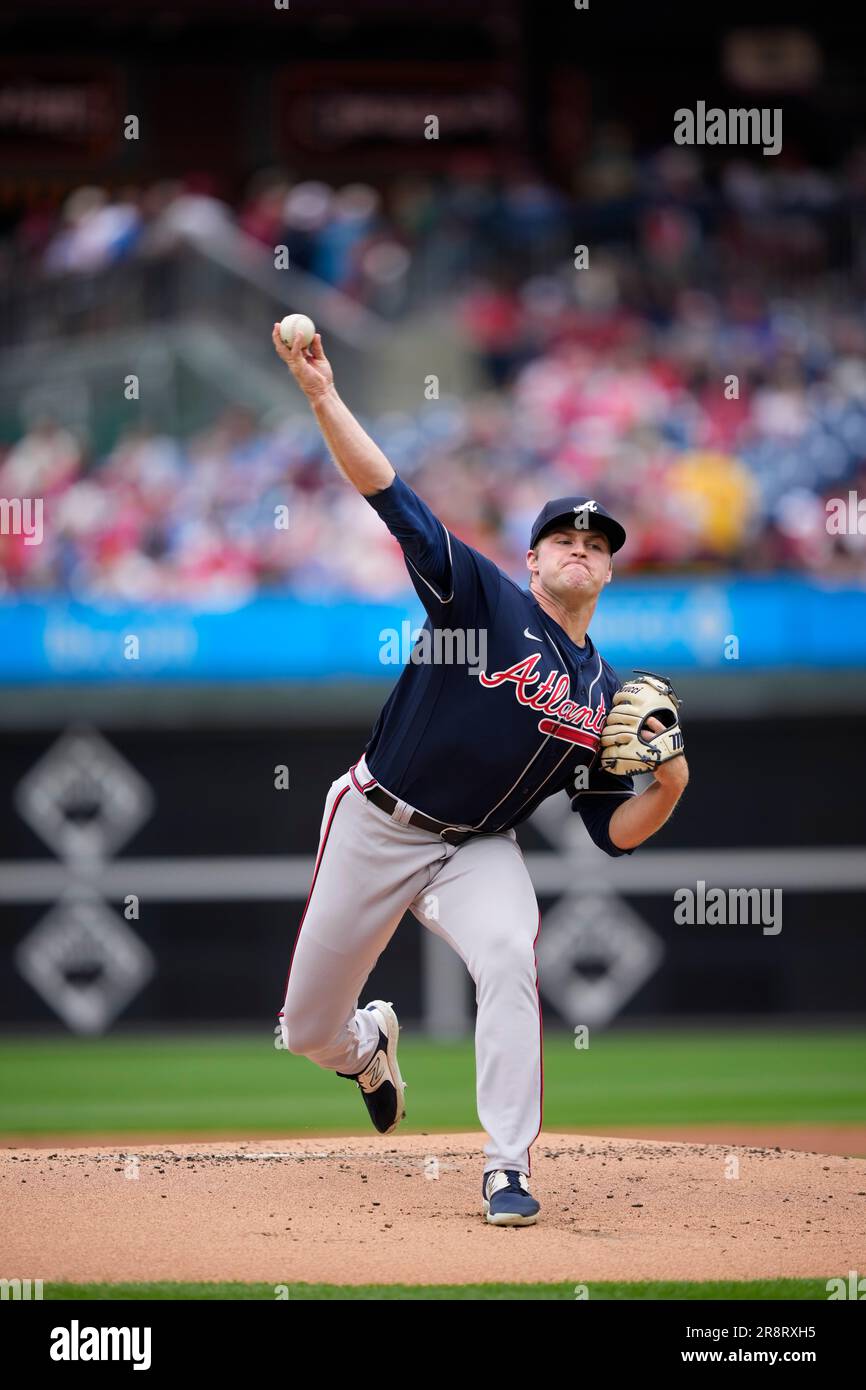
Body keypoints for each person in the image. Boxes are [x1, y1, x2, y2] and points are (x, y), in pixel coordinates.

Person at [271, 324, 689, 1227]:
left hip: (476, 849)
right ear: (533, 559)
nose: (581, 547)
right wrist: (321, 397)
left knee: (507, 954)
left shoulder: (604, 692)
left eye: (597, 542)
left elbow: (610, 832)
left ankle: (506, 1167)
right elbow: (391, 495)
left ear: (610, 571)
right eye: (563, 538)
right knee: (306, 1031)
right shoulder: (482, 595)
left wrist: (670, 787)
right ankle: (367, 1049)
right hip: (377, 820)